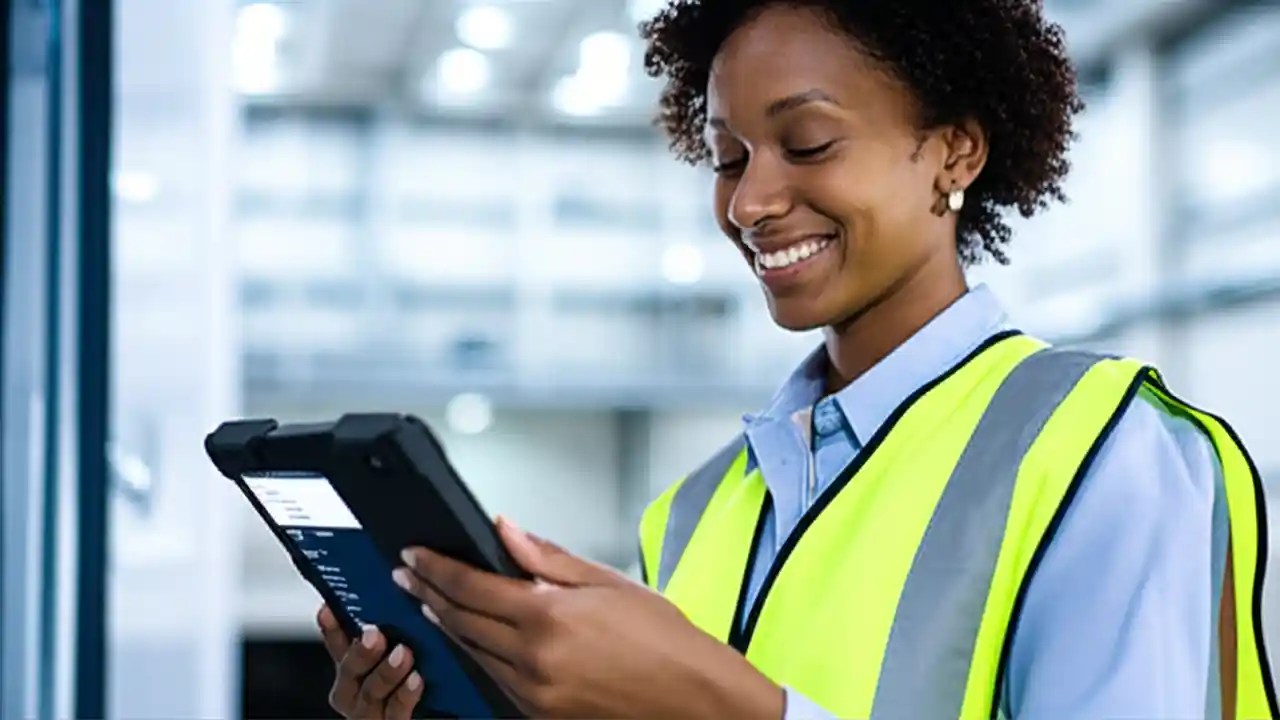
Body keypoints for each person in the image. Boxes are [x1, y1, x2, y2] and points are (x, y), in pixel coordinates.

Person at [316, 1, 1277, 718]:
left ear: (956, 153)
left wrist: (729, 707)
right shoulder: (693, 514)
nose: (748, 202)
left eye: (807, 143)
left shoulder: (1105, 455)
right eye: (729, 157)